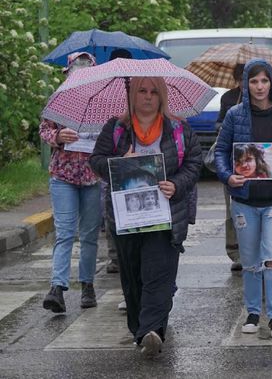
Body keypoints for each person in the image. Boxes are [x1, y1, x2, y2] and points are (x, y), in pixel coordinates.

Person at [90, 76, 202, 358]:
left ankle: (152, 331)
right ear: (132, 95)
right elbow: (97, 160)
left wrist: (176, 184)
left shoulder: (178, 128)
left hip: (165, 216)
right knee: (133, 278)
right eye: (142, 90)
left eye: (154, 91)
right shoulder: (116, 128)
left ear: (162, 95)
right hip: (126, 219)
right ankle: (141, 330)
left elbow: (194, 163)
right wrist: (119, 164)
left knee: (159, 275)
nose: (148, 96)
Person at [214, 59, 272, 339]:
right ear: (246, 84)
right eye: (254, 81)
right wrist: (228, 176)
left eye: (264, 81)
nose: (259, 86)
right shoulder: (234, 115)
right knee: (251, 261)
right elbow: (220, 151)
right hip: (244, 200)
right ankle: (253, 312)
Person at [40, 52, 101, 315]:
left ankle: (87, 285)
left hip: (93, 176)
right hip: (63, 176)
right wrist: (58, 136)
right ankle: (57, 288)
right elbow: (44, 130)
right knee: (65, 233)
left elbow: (114, 133)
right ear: (68, 74)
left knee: (89, 235)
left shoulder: (103, 102)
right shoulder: (58, 99)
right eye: (76, 71)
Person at [217, 64, 246, 272]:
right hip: (232, 160)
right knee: (232, 209)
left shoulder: (267, 100)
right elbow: (219, 123)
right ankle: (235, 252)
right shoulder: (228, 98)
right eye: (242, 79)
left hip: (255, 162)